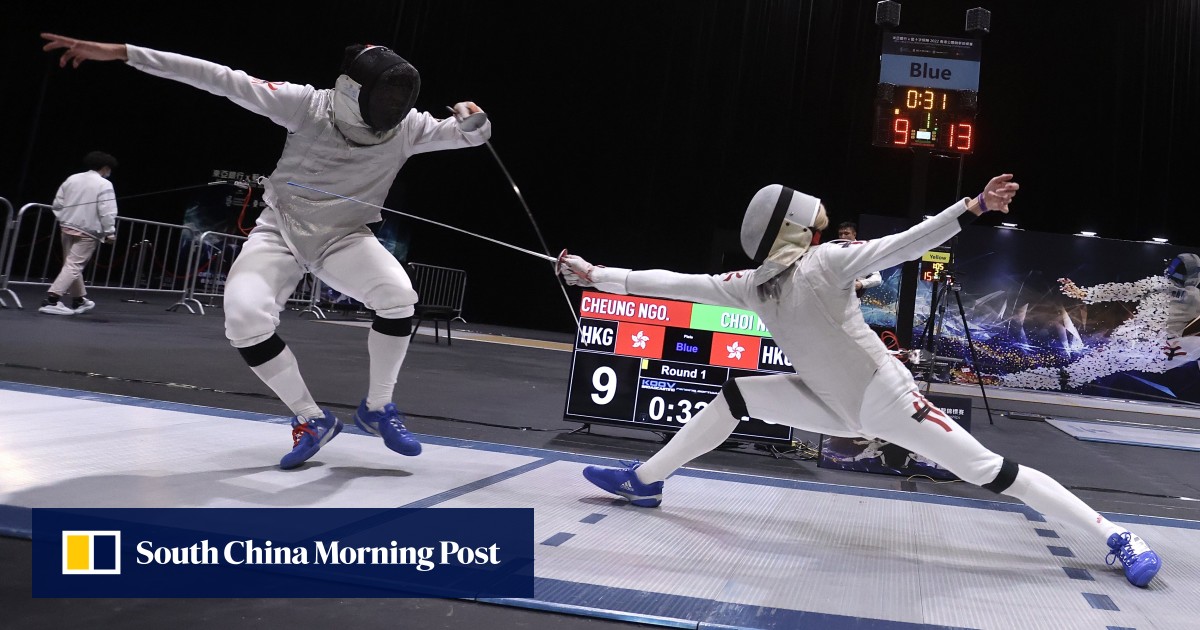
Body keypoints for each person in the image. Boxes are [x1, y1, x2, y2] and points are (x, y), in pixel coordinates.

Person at [558, 174, 1162, 588]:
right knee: (738, 394)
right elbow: (671, 281)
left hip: (889, 401)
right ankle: (644, 481)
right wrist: (595, 273)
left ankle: (1117, 537)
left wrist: (970, 210)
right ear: (794, 226)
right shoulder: (777, 277)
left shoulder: (804, 269)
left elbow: (909, 242)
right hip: (833, 403)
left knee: (991, 471)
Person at [43, 33, 492, 469]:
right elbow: (218, 77)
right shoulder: (306, 104)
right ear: (355, 90)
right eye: (387, 95)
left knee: (399, 299)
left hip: (346, 237)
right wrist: (124, 52)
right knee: (243, 317)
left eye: (400, 96)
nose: (394, 106)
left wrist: (474, 119)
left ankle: (378, 408)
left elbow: (469, 135)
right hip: (280, 233)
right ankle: (311, 419)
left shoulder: (408, 126)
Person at [39, 151, 119, 316]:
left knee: (71, 265)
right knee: (74, 266)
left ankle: (79, 300)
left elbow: (58, 203)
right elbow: (107, 210)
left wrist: (64, 219)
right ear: (105, 168)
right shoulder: (104, 184)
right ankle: (52, 300)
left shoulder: (72, 178)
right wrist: (110, 232)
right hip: (88, 232)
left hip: (66, 228)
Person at [836, 221, 881, 297]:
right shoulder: (834, 250)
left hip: (852, 299)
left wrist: (861, 284)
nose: (843, 237)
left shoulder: (864, 251)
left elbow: (877, 278)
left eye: (846, 233)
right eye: (840, 234)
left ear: (854, 234)